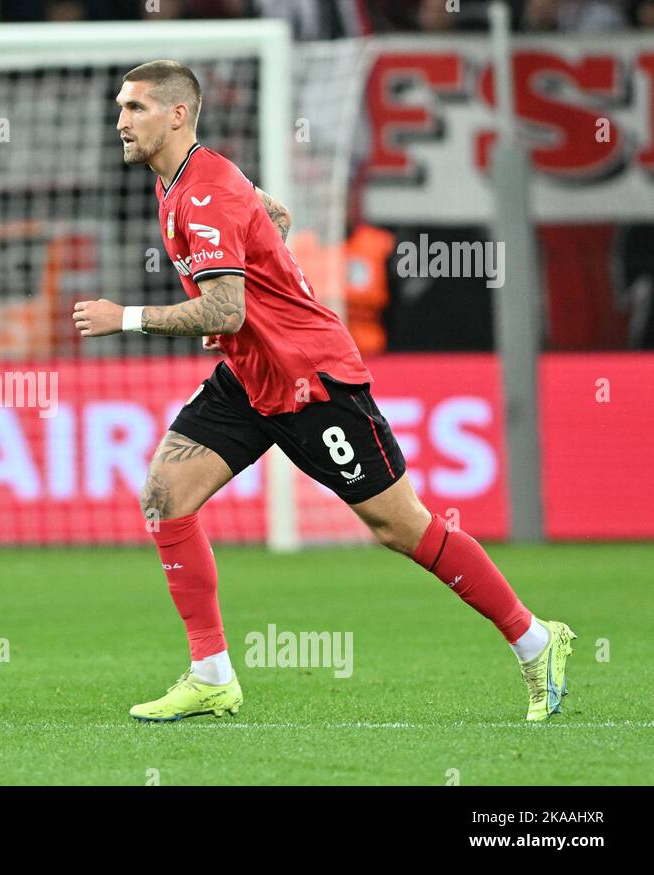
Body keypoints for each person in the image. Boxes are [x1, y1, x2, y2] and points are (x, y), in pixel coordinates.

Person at [72, 60, 575, 723]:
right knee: (166, 495)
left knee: (402, 527)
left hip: (314, 381)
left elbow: (224, 309)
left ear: (177, 115)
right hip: (251, 378)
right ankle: (212, 672)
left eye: (134, 107)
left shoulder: (202, 194)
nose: (120, 121)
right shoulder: (189, 180)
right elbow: (268, 219)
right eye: (119, 107)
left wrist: (126, 317)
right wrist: (255, 242)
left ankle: (537, 639)